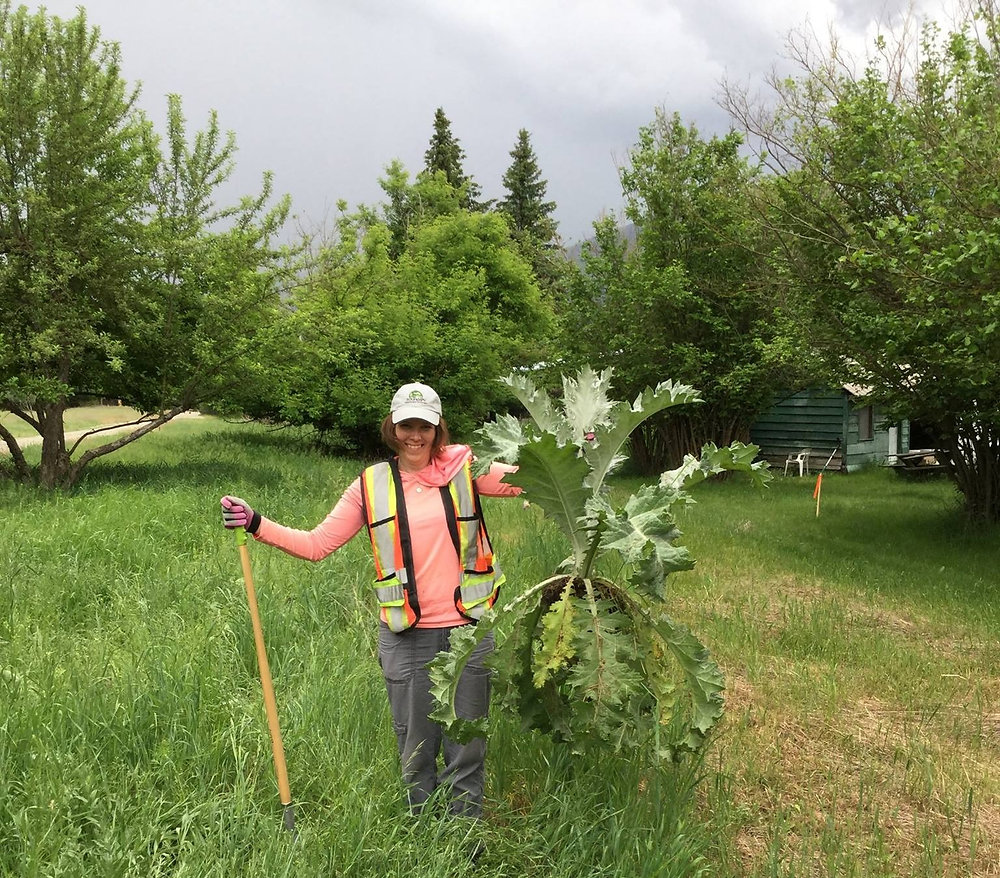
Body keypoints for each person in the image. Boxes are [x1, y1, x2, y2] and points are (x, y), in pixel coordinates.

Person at [220, 382, 521, 821]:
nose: (415, 435)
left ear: (438, 430)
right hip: (407, 637)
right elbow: (317, 544)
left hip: (468, 633)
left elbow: (529, 481)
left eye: (425, 426)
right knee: (417, 749)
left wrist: (576, 454)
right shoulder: (370, 485)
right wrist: (256, 523)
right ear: (392, 429)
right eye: (406, 426)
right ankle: (426, 839)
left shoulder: (465, 470)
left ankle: (464, 840)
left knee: (467, 746)